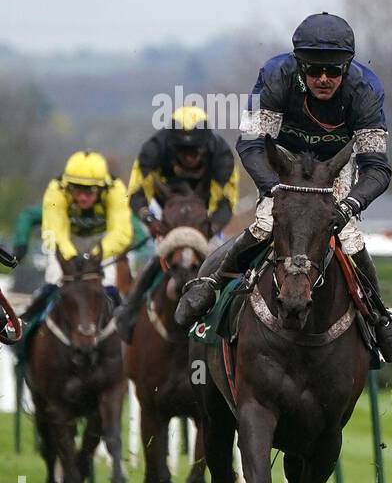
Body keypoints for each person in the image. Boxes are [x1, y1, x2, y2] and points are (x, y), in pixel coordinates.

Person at [172, 12, 392, 362]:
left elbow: (377, 169)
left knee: (349, 237)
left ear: (347, 68)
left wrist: (349, 207)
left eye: (333, 71)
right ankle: (213, 283)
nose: (324, 79)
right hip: (283, 162)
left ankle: (377, 313)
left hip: (333, 169)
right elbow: (251, 143)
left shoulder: (365, 91)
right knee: (266, 222)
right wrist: (273, 189)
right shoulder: (276, 77)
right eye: (314, 70)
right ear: (299, 66)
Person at [113, 105, 239, 341]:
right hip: (164, 213)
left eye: (195, 150)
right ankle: (128, 314)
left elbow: (226, 204)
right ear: (171, 146)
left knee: (221, 258)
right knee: (156, 256)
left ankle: (232, 319)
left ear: (206, 145)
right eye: (183, 150)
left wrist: (210, 228)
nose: (190, 156)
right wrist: (149, 220)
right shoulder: (153, 151)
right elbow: (137, 194)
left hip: (205, 215)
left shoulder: (222, 155)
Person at [21, 151, 132, 324]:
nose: (82, 197)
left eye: (89, 191)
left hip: (101, 242)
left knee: (109, 285)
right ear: (68, 186)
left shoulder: (116, 189)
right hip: (67, 239)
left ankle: (123, 326)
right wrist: (72, 258)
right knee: (55, 280)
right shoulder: (56, 188)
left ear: (102, 188)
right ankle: (27, 324)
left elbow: (121, 233)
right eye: (77, 189)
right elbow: (54, 231)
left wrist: (93, 256)